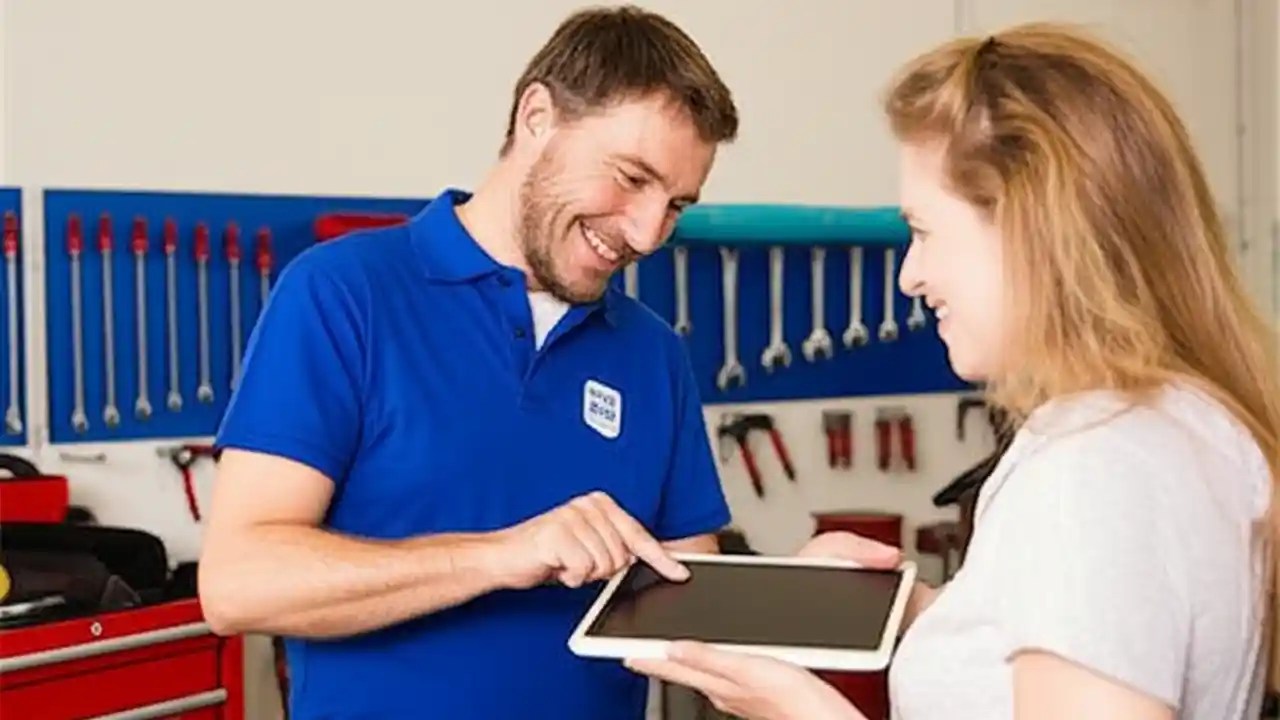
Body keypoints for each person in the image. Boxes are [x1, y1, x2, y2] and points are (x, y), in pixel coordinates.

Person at [627, 22, 1280, 720]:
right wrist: (919, 609)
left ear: (1029, 226)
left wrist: (804, 713)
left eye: (924, 231)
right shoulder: (1192, 423)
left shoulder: (1094, 468)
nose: (910, 275)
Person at [197, 6, 739, 719]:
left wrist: (807, 599)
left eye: (675, 206)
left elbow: (693, 606)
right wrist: (499, 556)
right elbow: (238, 584)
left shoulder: (653, 351)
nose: (647, 232)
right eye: (630, 178)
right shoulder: (342, 292)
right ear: (537, 115)